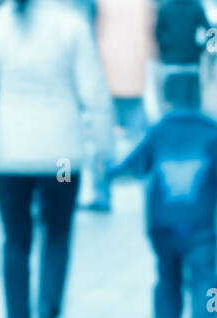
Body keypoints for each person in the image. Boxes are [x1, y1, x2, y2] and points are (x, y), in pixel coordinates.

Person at [0, 0, 114, 318]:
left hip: (9, 154)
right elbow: (94, 91)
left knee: (15, 240)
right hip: (61, 155)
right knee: (57, 233)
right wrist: (106, 150)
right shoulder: (71, 24)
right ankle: (49, 313)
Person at [110, 72, 217, 318]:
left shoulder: (159, 131)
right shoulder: (214, 132)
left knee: (167, 278)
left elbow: (133, 166)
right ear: (198, 96)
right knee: (206, 279)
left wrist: (107, 172)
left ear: (168, 98)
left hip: (162, 225)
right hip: (200, 226)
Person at [85, 0, 156, 212]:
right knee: (140, 139)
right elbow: (153, 40)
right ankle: (148, 192)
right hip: (135, 78)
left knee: (103, 141)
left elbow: (91, 34)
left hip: (105, 77)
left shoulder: (99, 4)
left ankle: (102, 193)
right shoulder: (146, 4)